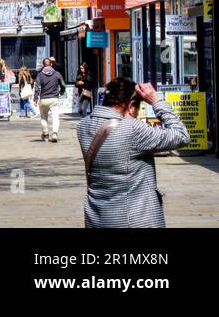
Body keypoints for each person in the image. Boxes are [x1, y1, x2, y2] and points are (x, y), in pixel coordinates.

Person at [78, 78, 191, 228]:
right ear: (131, 106)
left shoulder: (83, 126)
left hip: (97, 217)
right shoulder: (133, 129)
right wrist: (157, 103)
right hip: (135, 218)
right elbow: (182, 136)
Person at [35, 56, 65, 142]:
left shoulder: (40, 75)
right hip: (54, 99)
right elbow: (63, 85)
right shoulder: (57, 74)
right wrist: (61, 92)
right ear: (51, 64)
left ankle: (45, 133)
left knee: (44, 117)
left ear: (43, 65)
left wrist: (35, 98)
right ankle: (54, 133)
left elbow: (37, 87)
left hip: (44, 99)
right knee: (55, 117)